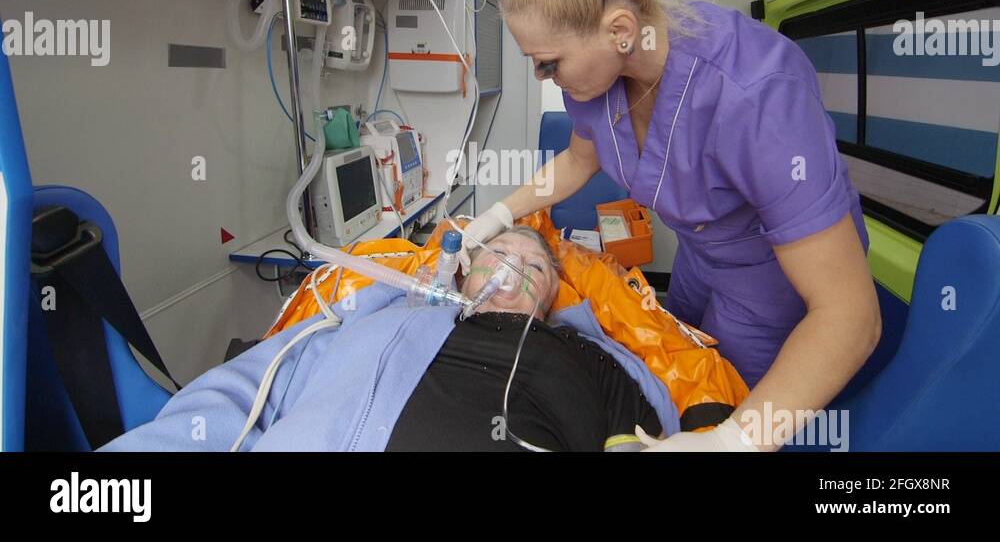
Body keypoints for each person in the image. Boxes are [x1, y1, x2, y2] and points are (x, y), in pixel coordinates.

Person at [458, 0, 881, 452]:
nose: (542, 77)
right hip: (697, 262)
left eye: (548, 62)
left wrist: (733, 440)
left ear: (620, 29)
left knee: (728, 402)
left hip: (773, 280)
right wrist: (499, 212)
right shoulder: (601, 83)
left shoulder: (755, 94)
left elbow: (851, 317)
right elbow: (580, 160)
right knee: (671, 365)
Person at [98, 227, 669, 452]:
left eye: (533, 269)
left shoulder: (586, 355)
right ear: (465, 270)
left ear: (549, 305)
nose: (510, 272)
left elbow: (644, 439)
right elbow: (248, 391)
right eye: (498, 254)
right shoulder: (380, 310)